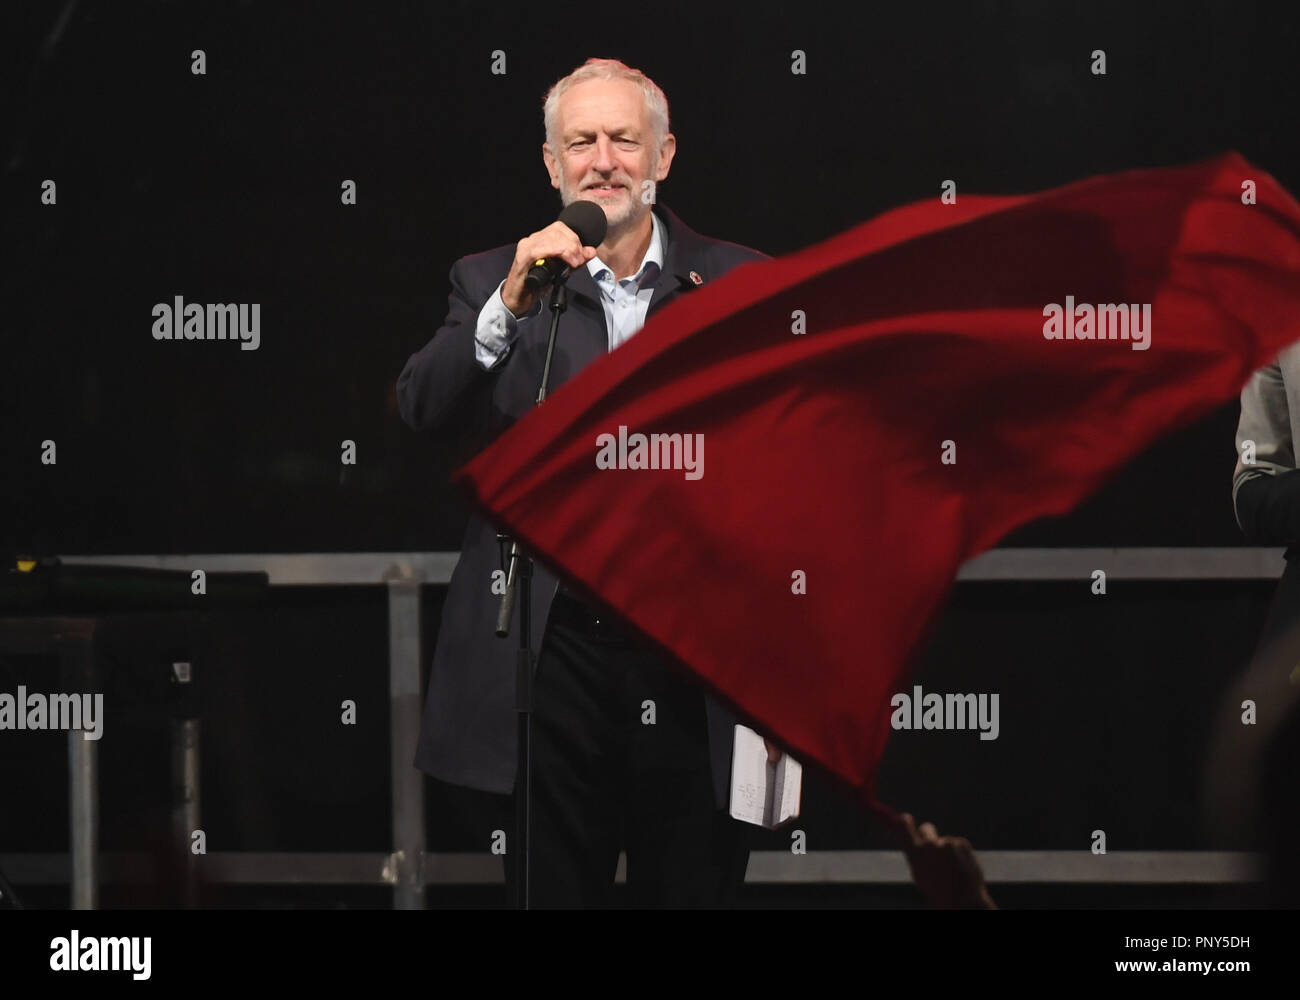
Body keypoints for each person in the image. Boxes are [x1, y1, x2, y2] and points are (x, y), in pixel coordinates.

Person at [397, 57, 772, 907]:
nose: (603, 159)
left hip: (693, 655)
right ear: (552, 164)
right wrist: (511, 301)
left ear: (664, 156)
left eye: (624, 140)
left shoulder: (744, 282)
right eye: (582, 142)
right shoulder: (499, 279)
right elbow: (422, 405)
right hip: (552, 649)